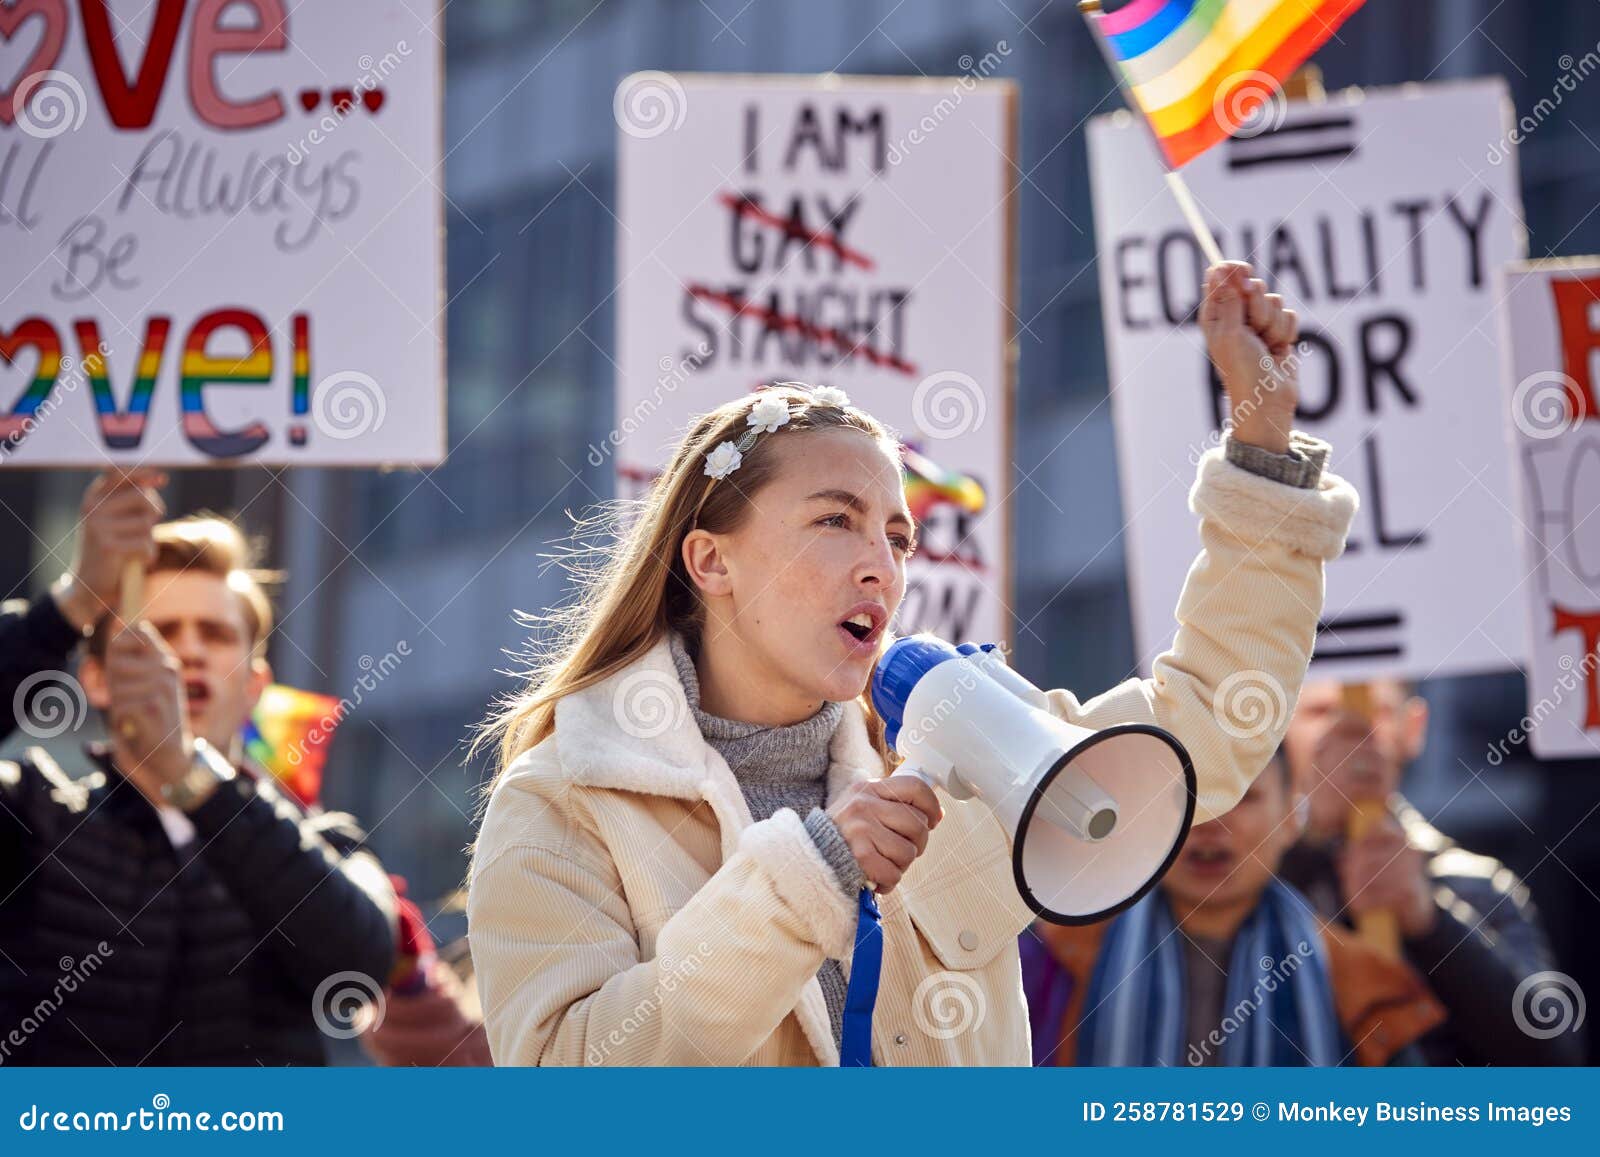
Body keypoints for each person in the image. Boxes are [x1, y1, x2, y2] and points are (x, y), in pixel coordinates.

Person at [468, 262, 1359, 1066]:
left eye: (897, 536)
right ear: (711, 562)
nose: (881, 565)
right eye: (834, 519)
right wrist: (804, 879)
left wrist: (1263, 445)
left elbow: (1206, 729)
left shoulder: (962, 739)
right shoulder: (565, 801)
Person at [0, 471, 397, 1065]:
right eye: (159, 631)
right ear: (98, 679)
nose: (187, 651)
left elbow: (361, 961)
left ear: (255, 683)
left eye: (214, 634)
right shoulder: (31, 818)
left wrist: (192, 776)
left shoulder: (320, 840)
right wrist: (73, 603)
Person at [1020, 747, 1446, 1066]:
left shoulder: (1364, 981)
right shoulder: (1050, 956)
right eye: (1185, 797)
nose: (1210, 822)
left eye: (1243, 796)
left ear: (1290, 818)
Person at [1278, 679, 1584, 1065]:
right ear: (1281, 730)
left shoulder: (1473, 883)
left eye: (1378, 713)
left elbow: (1554, 1062)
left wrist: (1429, 921)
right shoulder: (1243, 879)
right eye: (1319, 712)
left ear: (1414, 727)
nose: (1349, 737)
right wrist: (1309, 844)